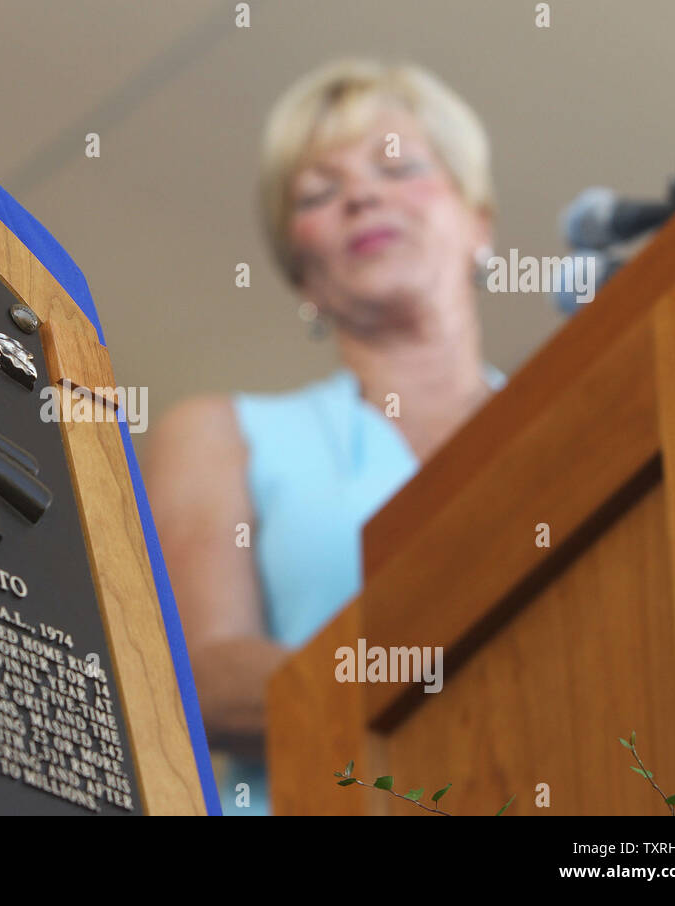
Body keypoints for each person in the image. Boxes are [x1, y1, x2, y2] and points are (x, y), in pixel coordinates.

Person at [144, 59, 507, 815]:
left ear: (480, 225)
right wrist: (457, 672)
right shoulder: (220, 433)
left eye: (398, 166)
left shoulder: (578, 416)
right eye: (319, 193)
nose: (363, 195)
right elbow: (197, 675)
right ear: (302, 277)